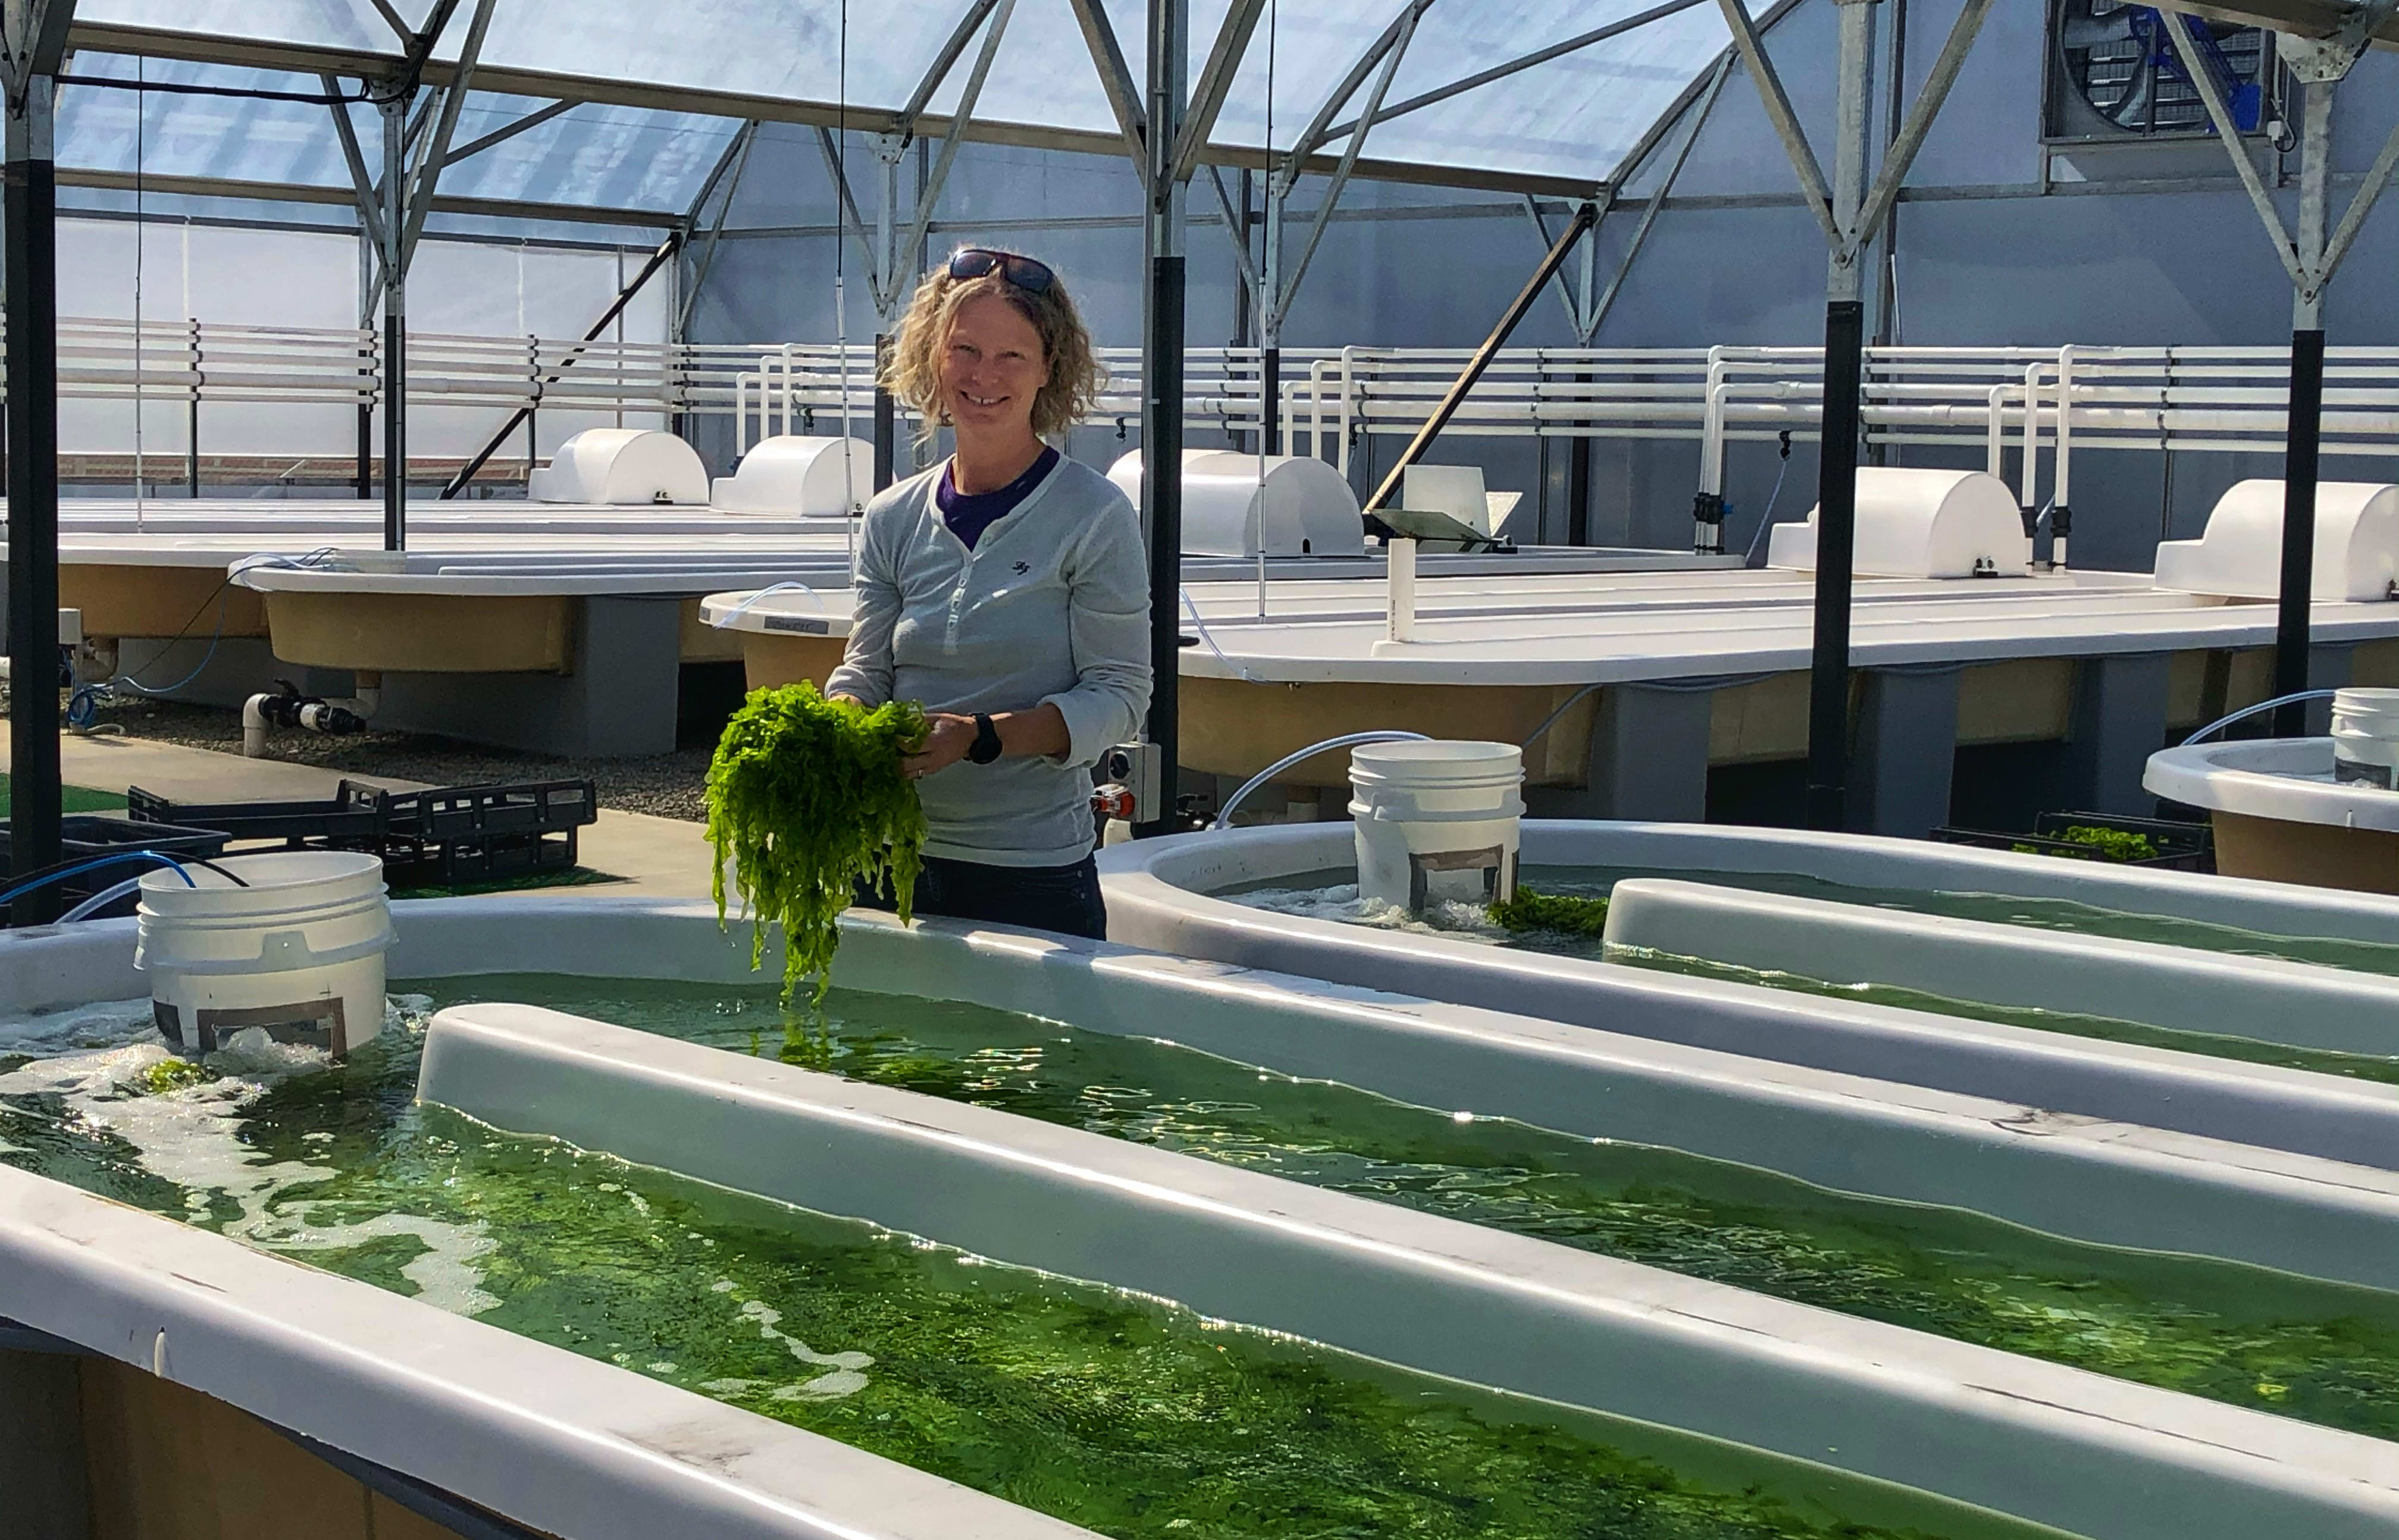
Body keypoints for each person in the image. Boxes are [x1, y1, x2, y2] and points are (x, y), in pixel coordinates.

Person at [826, 247, 1151, 939]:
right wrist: (847, 715)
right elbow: (866, 668)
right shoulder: (892, 515)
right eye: (965, 350)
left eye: (1012, 356)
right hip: (890, 854)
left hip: (1030, 869)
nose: (984, 376)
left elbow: (1119, 697)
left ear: (1048, 370)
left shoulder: (1094, 515)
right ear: (932, 359)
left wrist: (978, 738)